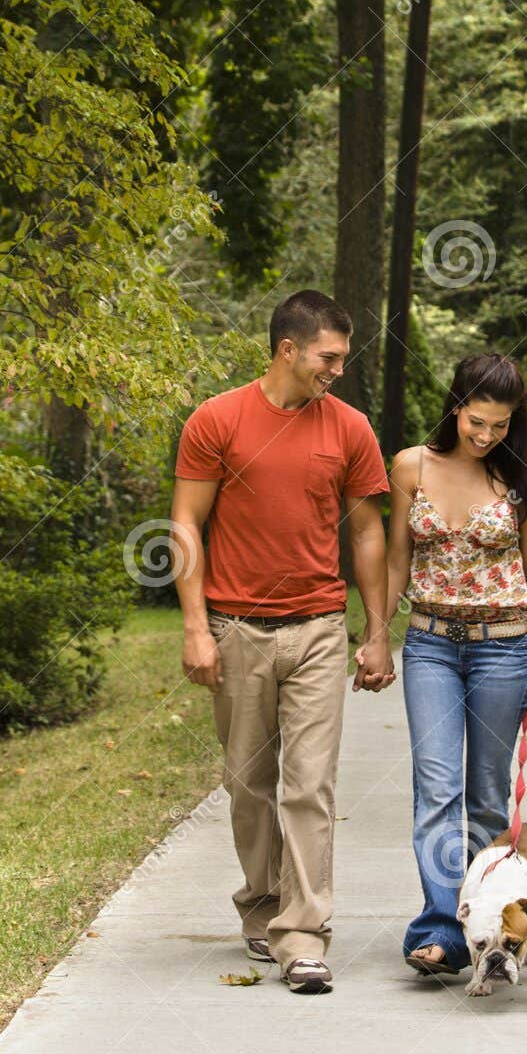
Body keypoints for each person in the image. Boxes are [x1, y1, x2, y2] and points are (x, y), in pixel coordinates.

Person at [171, 290, 395, 994]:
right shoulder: (217, 420)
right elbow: (185, 526)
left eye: (342, 358)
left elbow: (365, 531)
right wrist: (194, 627)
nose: (336, 370)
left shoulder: (349, 429)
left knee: (308, 787)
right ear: (287, 349)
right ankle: (261, 905)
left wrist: (377, 631)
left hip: (319, 628)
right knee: (247, 784)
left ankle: (302, 935)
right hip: (236, 628)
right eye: (328, 358)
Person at [381, 352, 527, 976]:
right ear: (455, 406)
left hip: (504, 645)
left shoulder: (524, 480)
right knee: (435, 790)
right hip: (429, 642)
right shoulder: (411, 466)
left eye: (500, 426)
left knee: (484, 796)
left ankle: (493, 925)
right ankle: (442, 932)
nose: (486, 436)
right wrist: (376, 633)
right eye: (477, 421)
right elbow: (398, 557)